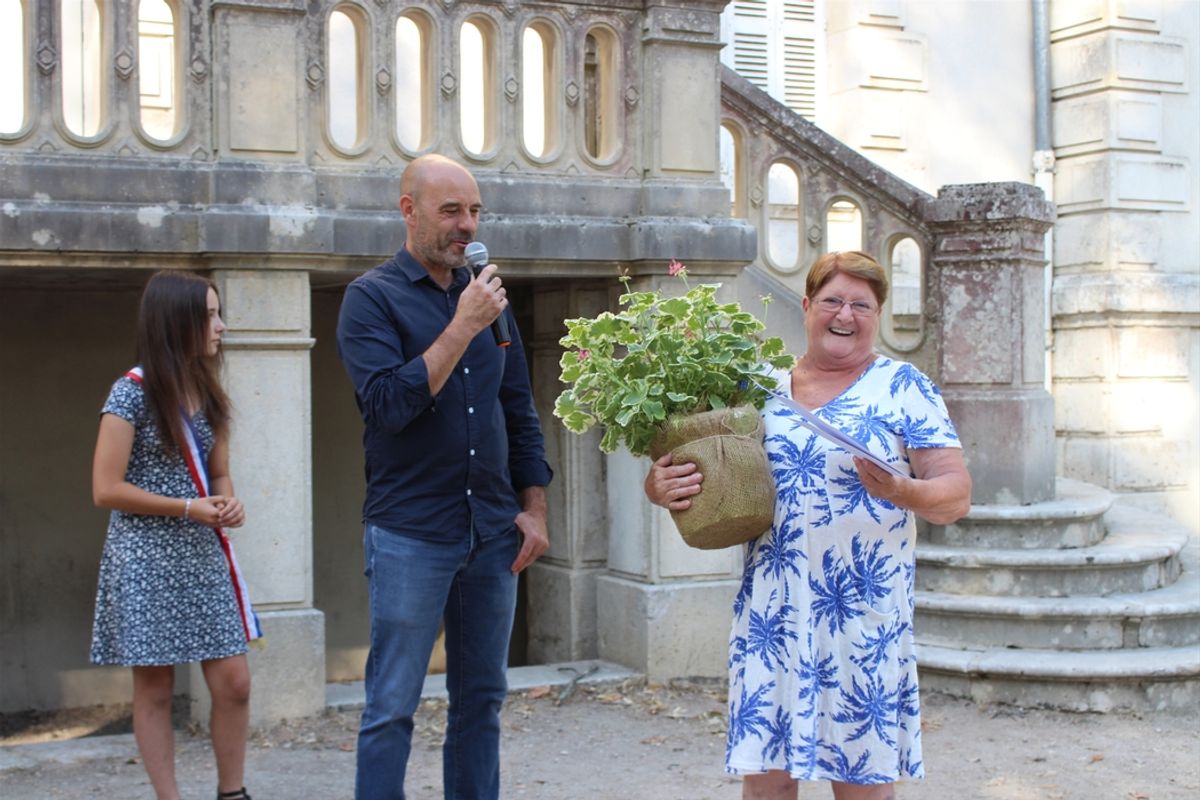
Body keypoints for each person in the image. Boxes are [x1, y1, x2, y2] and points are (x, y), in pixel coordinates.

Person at [645, 251, 972, 800]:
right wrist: (662, 487)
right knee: (767, 785)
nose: (845, 314)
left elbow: (955, 495)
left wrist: (903, 489)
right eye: (833, 301)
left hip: (862, 619)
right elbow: (702, 473)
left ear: (878, 315)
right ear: (807, 306)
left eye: (861, 305)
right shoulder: (758, 390)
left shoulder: (902, 386)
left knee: (861, 784)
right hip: (774, 614)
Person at [336, 153, 552, 800]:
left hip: (492, 531)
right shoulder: (370, 299)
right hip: (410, 532)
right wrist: (464, 324)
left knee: (481, 701)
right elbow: (390, 406)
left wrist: (533, 508)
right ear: (409, 210)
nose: (466, 225)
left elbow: (519, 408)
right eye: (451, 211)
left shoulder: (489, 296)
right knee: (392, 704)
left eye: (475, 211)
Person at [91, 270, 259, 800]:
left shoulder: (208, 391)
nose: (220, 326)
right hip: (143, 554)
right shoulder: (130, 392)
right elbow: (105, 488)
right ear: (177, 321)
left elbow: (219, 472)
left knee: (234, 682)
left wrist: (228, 500)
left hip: (201, 550)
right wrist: (187, 507)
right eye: (209, 315)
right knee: (157, 687)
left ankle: (232, 793)